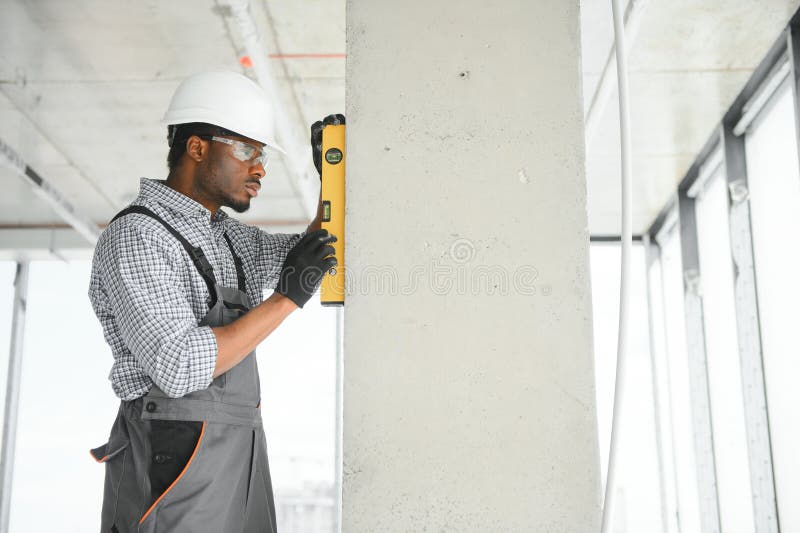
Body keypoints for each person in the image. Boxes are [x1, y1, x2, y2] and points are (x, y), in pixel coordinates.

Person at [88, 70, 342, 532]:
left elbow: (314, 254)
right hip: (172, 457)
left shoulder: (227, 238)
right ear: (197, 147)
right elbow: (179, 366)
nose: (260, 168)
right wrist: (287, 298)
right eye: (247, 151)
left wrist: (334, 179)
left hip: (241, 450)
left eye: (262, 155)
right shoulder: (138, 235)